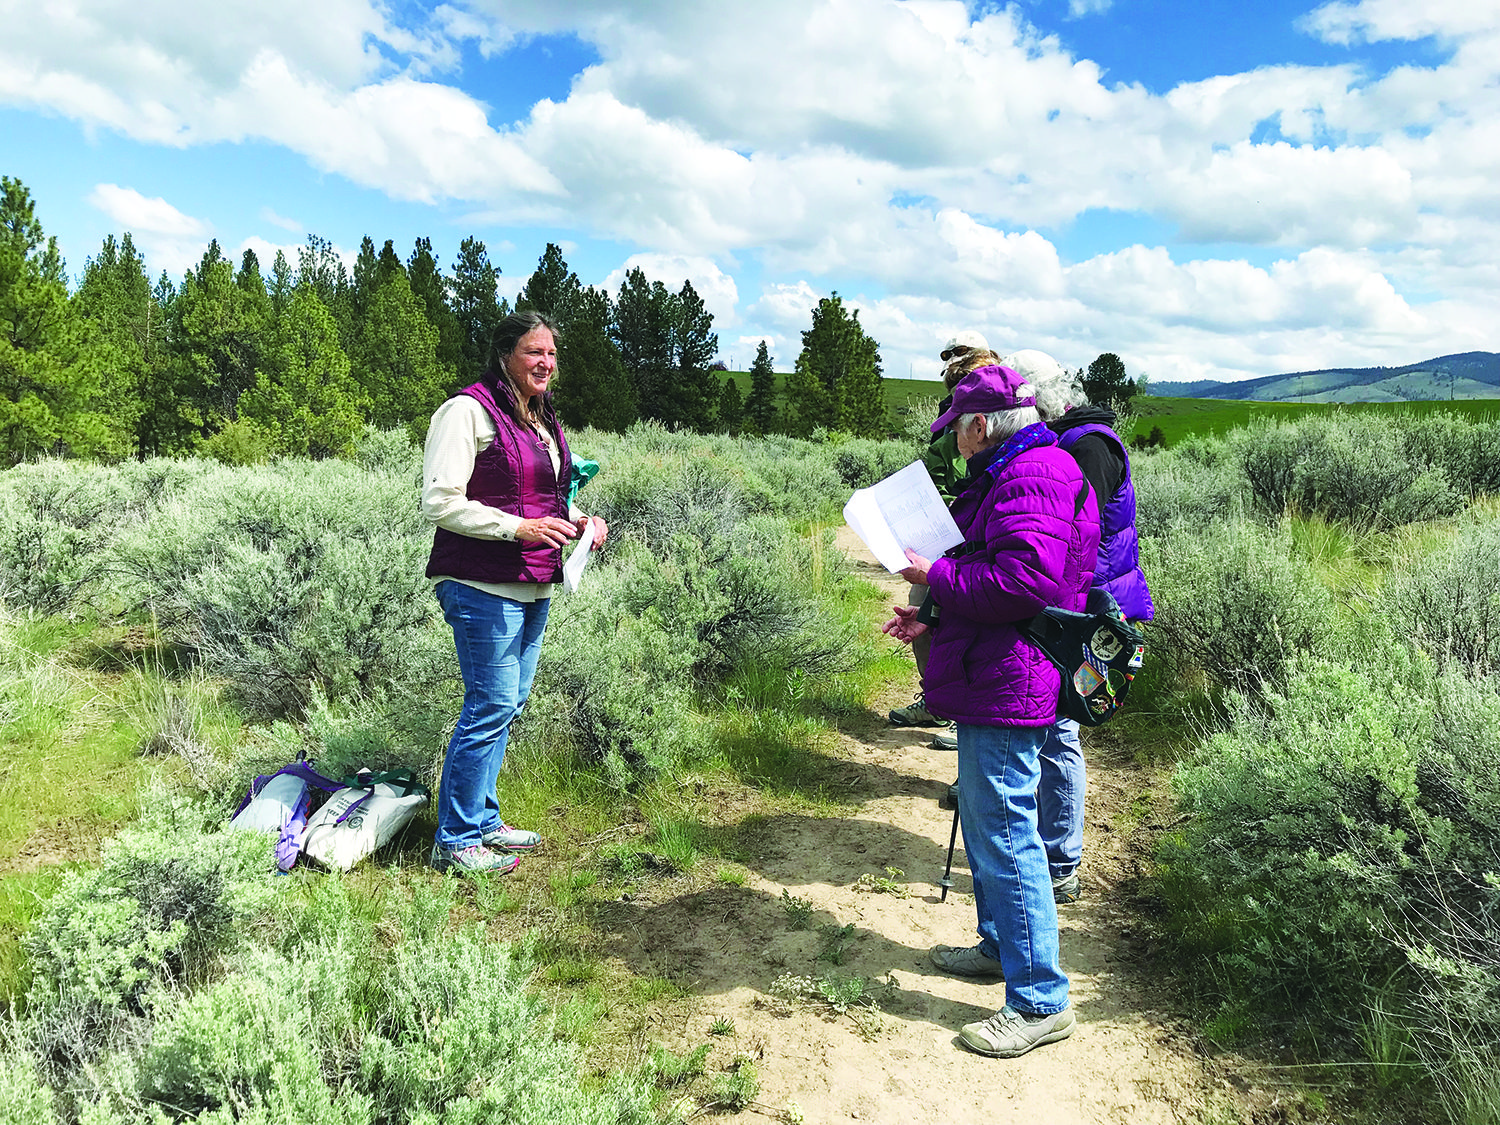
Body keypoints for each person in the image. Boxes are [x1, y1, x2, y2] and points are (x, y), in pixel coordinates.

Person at [884, 364, 1100, 1058]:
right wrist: (936, 617)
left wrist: (934, 578)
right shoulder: (1022, 468)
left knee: (1006, 829)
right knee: (988, 820)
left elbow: (1022, 581)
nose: (957, 446)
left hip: (1010, 680)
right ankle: (1001, 946)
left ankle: (1040, 998)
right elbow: (998, 568)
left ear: (982, 425)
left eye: (959, 432)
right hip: (996, 670)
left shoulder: (1033, 474)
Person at [420, 311, 609, 875]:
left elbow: (541, 498)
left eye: (551, 354)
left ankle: (482, 821)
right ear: (505, 356)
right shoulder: (466, 411)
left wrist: (578, 519)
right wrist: (517, 529)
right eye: (533, 352)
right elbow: (440, 500)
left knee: (509, 704)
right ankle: (454, 840)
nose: (545, 363)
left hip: (532, 584)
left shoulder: (539, 418)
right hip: (480, 584)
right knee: (490, 705)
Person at [1004, 350, 1155, 905]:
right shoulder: (1078, 439)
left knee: (1061, 728)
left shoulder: (1087, 446)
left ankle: (1061, 860)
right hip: (1083, 598)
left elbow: (1075, 534)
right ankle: (1051, 851)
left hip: (1091, 604)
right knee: (1052, 726)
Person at [887, 330, 996, 737]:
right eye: (948, 359)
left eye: (960, 358)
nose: (951, 365)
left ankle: (963, 717)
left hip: (974, 552)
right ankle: (937, 702)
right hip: (944, 543)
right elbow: (937, 475)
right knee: (924, 614)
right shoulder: (949, 419)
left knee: (969, 633)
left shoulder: (1003, 428)